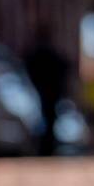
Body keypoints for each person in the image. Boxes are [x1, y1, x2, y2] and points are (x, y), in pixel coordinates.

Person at [25, 24, 69, 156]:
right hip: (47, 92)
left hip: (44, 92)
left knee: (46, 121)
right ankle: (46, 148)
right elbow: (64, 67)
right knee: (46, 121)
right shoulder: (47, 53)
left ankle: (45, 148)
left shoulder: (39, 53)